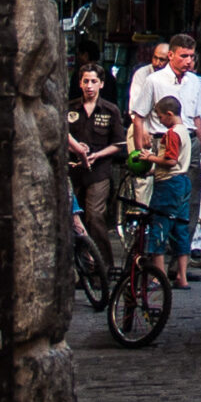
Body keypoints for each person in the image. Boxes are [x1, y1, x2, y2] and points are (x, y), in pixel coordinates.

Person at [143, 34, 201, 285]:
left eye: (192, 56)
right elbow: (139, 114)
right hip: (163, 139)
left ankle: (176, 267)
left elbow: (197, 118)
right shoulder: (154, 80)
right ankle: (166, 266)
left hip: (189, 141)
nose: (188, 61)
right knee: (164, 207)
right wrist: (145, 144)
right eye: (184, 56)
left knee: (189, 205)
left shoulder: (195, 82)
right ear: (171, 55)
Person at [66, 65, 128, 273]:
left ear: (101, 84)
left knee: (95, 215)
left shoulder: (110, 110)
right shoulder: (70, 109)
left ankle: (104, 266)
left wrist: (97, 155)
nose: (89, 86)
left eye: (94, 81)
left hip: (99, 171)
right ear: (80, 83)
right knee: (74, 219)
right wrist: (76, 149)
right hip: (73, 171)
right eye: (86, 81)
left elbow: (118, 143)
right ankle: (80, 267)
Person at [138, 95, 195, 288]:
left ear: (169, 115)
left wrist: (150, 157)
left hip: (169, 186)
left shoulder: (172, 134)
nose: (160, 121)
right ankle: (182, 276)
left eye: (161, 117)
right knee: (181, 228)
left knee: (159, 226)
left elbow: (171, 161)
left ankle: (158, 276)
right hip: (183, 182)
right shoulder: (185, 131)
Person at [127, 40, 170, 128]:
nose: (157, 63)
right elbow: (134, 106)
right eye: (155, 58)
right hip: (144, 126)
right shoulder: (142, 74)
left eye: (162, 60)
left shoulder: (173, 76)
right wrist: (142, 129)